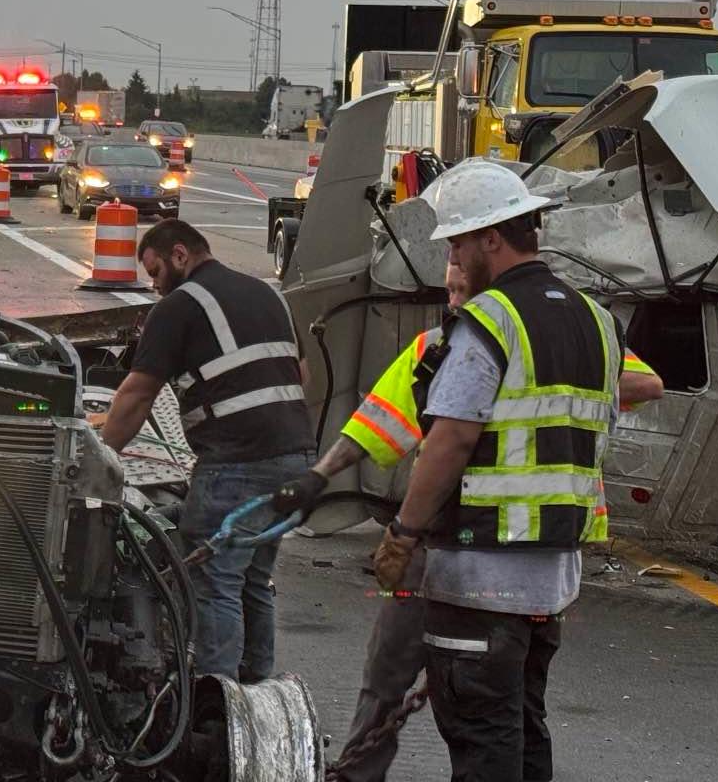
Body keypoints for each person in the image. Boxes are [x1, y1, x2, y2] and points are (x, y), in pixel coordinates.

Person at [273, 260, 661, 782]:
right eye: (449, 291)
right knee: (401, 670)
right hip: (510, 553)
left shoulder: (522, 335)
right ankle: (360, 771)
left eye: (462, 288)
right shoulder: (441, 348)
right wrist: (319, 476)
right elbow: (378, 423)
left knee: (490, 718)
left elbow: (647, 383)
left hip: (466, 548)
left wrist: (403, 532)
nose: (454, 300)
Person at [370, 159, 625, 781]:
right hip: (553, 574)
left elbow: (452, 438)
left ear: (493, 236)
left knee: (482, 738)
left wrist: (404, 532)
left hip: (481, 572)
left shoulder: (488, 321)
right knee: (522, 728)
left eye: (458, 240)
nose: (453, 255)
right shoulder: (597, 320)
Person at [88, 219, 316, 682]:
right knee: (252, 578)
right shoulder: (270, 294)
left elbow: (136, 396)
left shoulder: (178, 308)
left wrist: (97, 458)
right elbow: (303, 378)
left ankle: (219, 700)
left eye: (154, 273)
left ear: (179, 255)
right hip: (296, 461)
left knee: (215, 584)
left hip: (238, 464)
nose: (154, 286)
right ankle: (257, 688)